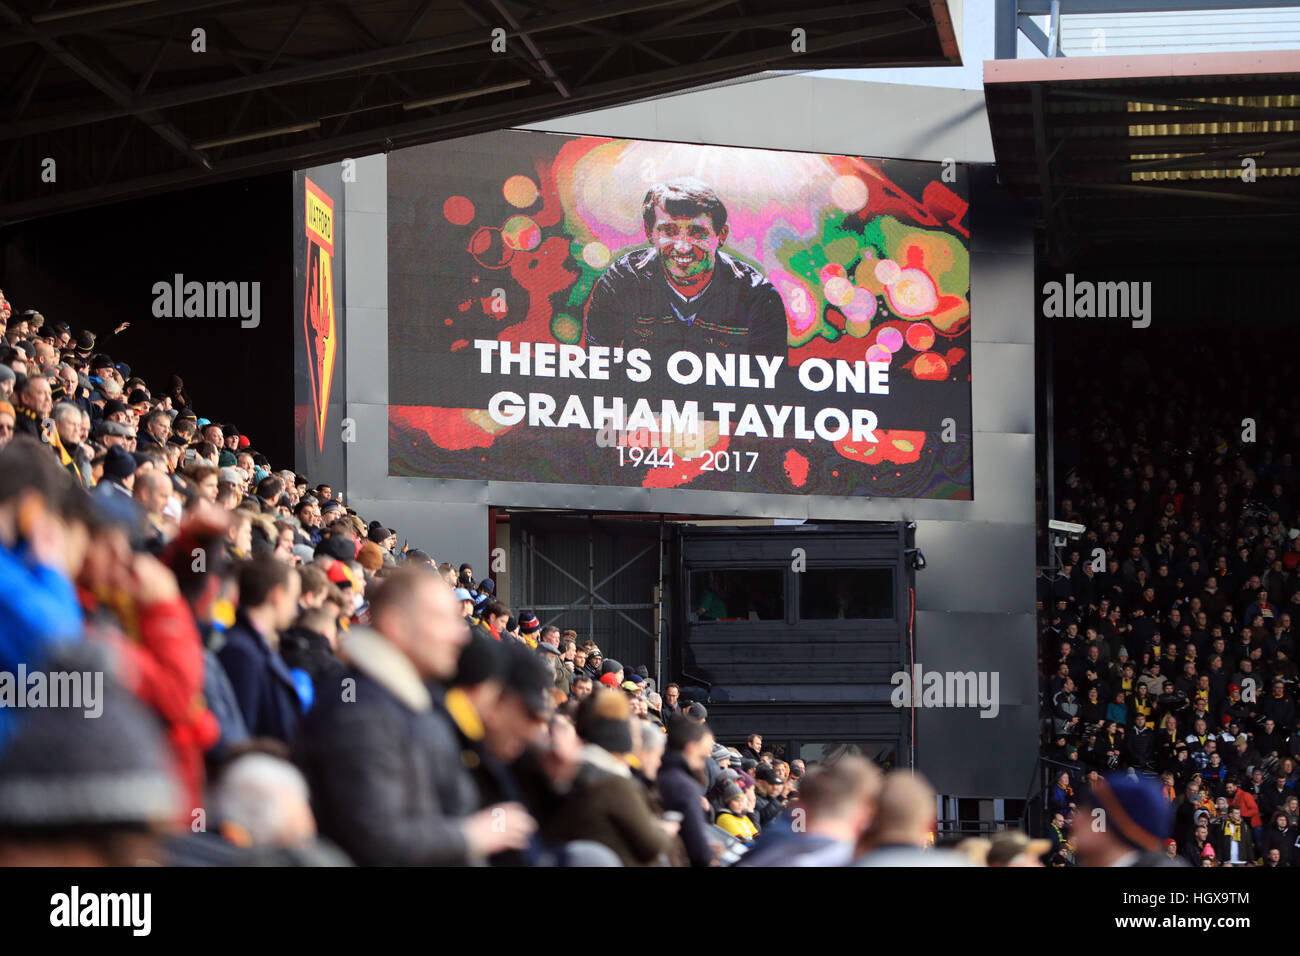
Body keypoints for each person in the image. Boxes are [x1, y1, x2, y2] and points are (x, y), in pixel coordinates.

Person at [295, 568, 535, 865]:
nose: (461, 635)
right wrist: (474, 834)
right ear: (396, 625)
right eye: (444, 620)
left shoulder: (414, 703)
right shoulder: (359, 715)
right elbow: (378, 839)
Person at [583, 178, 788, 356]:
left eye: (697, 232)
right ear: (649, 232)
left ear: (721, 235)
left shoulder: (757, 297)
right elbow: (598, 373)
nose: (682, 247)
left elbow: (769, 388)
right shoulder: (623, 282)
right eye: (669, 231)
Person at [217, 554, 305, 744]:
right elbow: (243, 733)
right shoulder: (241, 653)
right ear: (276, 595)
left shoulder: (254, 645)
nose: (296, 609)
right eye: (293, 597)